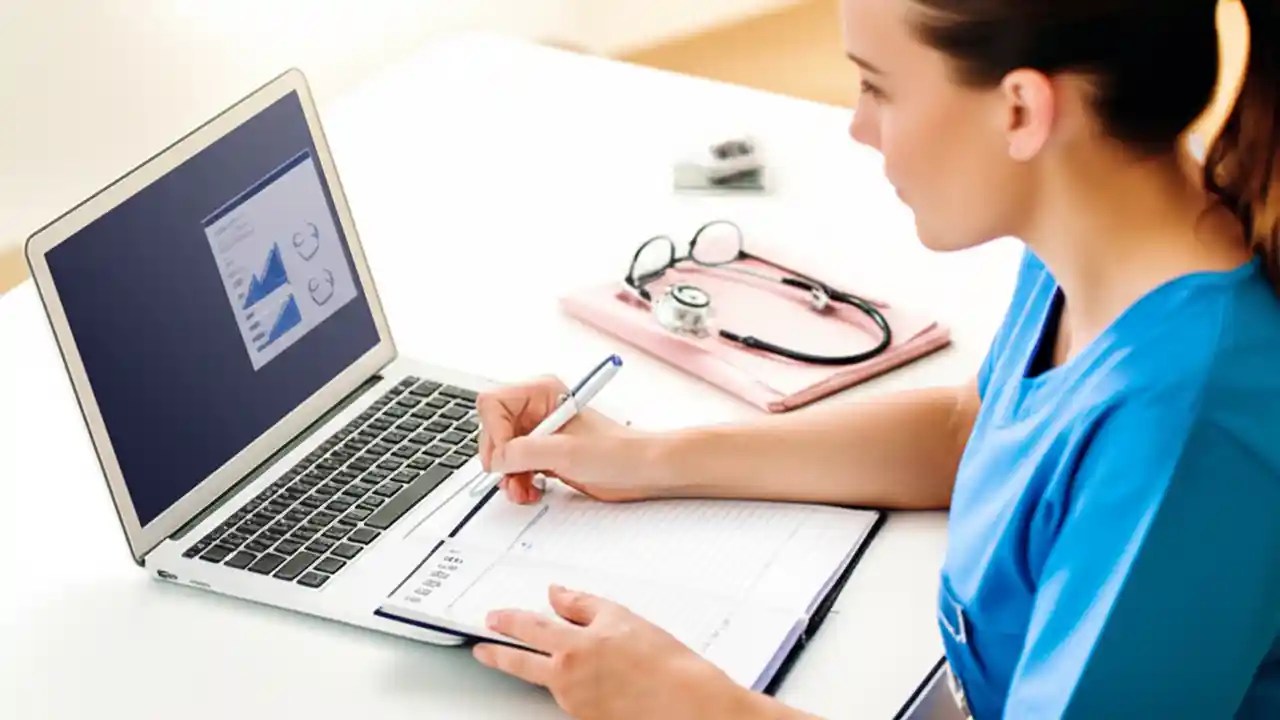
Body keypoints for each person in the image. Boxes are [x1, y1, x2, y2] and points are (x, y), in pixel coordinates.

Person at [468, 0, 1280, 717]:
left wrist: (693, 707)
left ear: (1022, 110)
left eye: (878, 86)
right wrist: (646, 457)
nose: (857, 125)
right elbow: (976, 430)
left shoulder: (1186, 424)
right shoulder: (1109, 247)